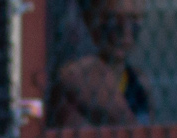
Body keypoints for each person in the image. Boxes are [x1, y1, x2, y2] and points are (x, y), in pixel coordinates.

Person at [48, 0, 155, 128]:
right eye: (112, 19)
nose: (125, 31)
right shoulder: (78, 73)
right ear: (89, 19)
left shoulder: (139, 82)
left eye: (133, 19)